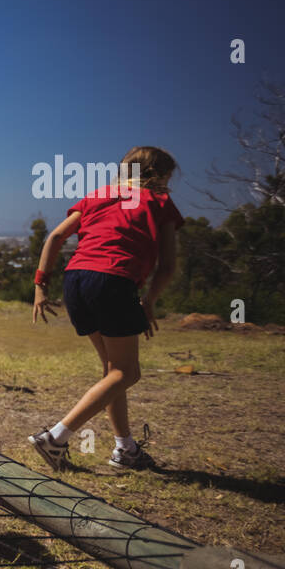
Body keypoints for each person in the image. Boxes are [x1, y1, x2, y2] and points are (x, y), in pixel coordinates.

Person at [29, 146, 183, 471]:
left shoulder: (98, 195)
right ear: (157, 174)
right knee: (127, 372)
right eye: (168, 176)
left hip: (76, 279)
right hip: (113, 280)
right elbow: (167, 266)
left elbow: (56, 236)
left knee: (113, 372)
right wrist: (149, 301)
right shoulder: (160, 203)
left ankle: (125, 449)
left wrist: (40, 286)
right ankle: (55, 437)